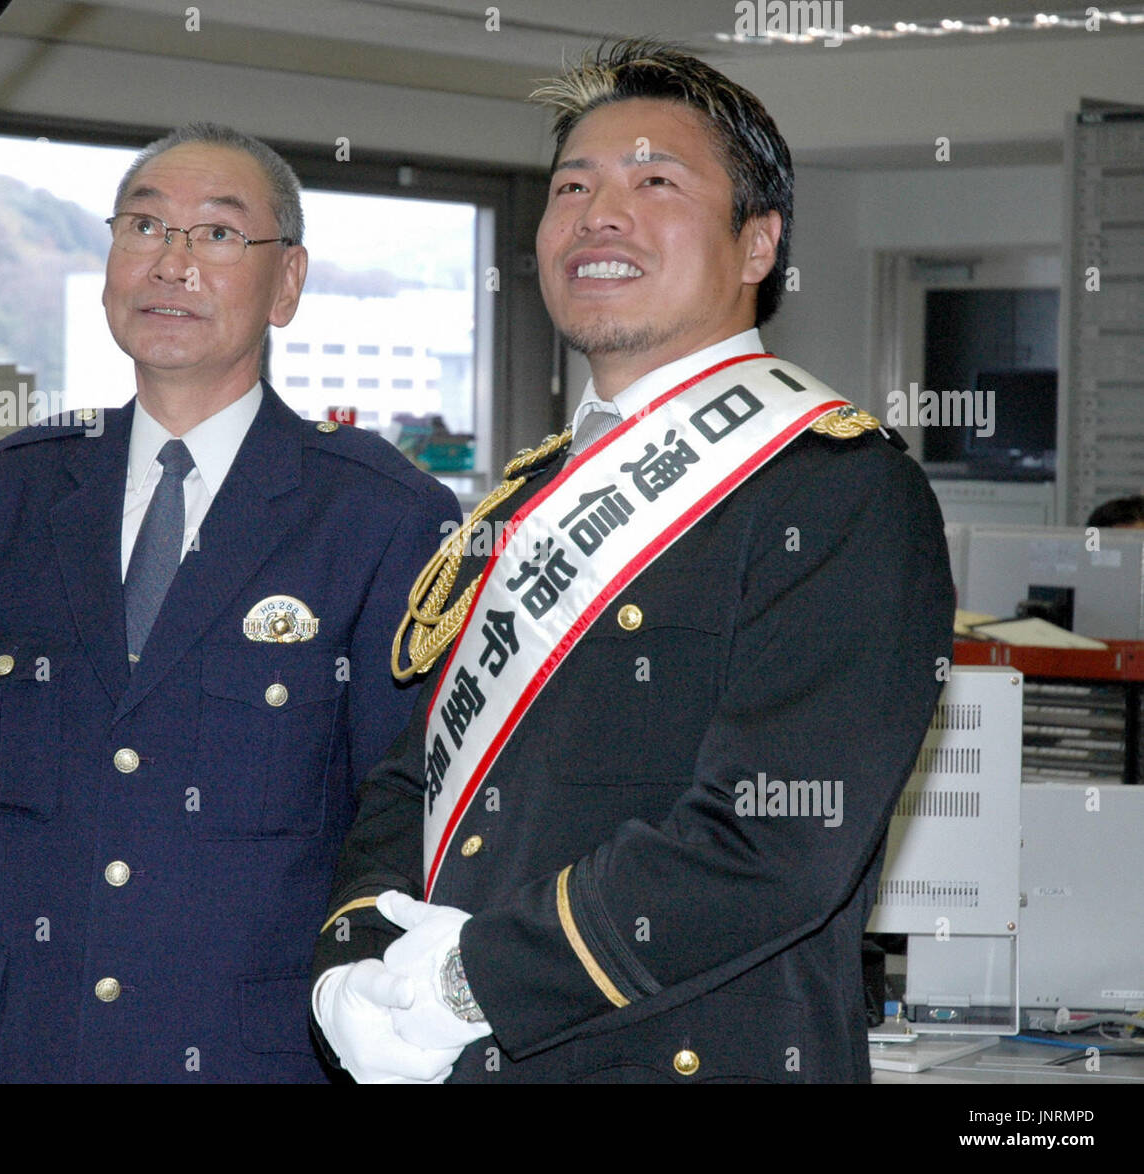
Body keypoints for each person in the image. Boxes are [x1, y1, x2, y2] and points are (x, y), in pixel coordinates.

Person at [310, 40, 955, 1084]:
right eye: (573, 187)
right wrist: (353, 959)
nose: (599, 216)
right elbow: (410, 777)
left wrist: (470, 984)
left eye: (654, 184)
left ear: (757, 243)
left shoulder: (837, 490)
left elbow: (772, 840)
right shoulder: (527, 498)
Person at [0, 122, 458, 1083]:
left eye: (217, 234)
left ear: (288, 283)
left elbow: (397, 845)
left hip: (254, 1060)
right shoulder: (9, 494)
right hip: (15, 1054)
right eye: (143, 226)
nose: (172, 262)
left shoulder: (379, 516)